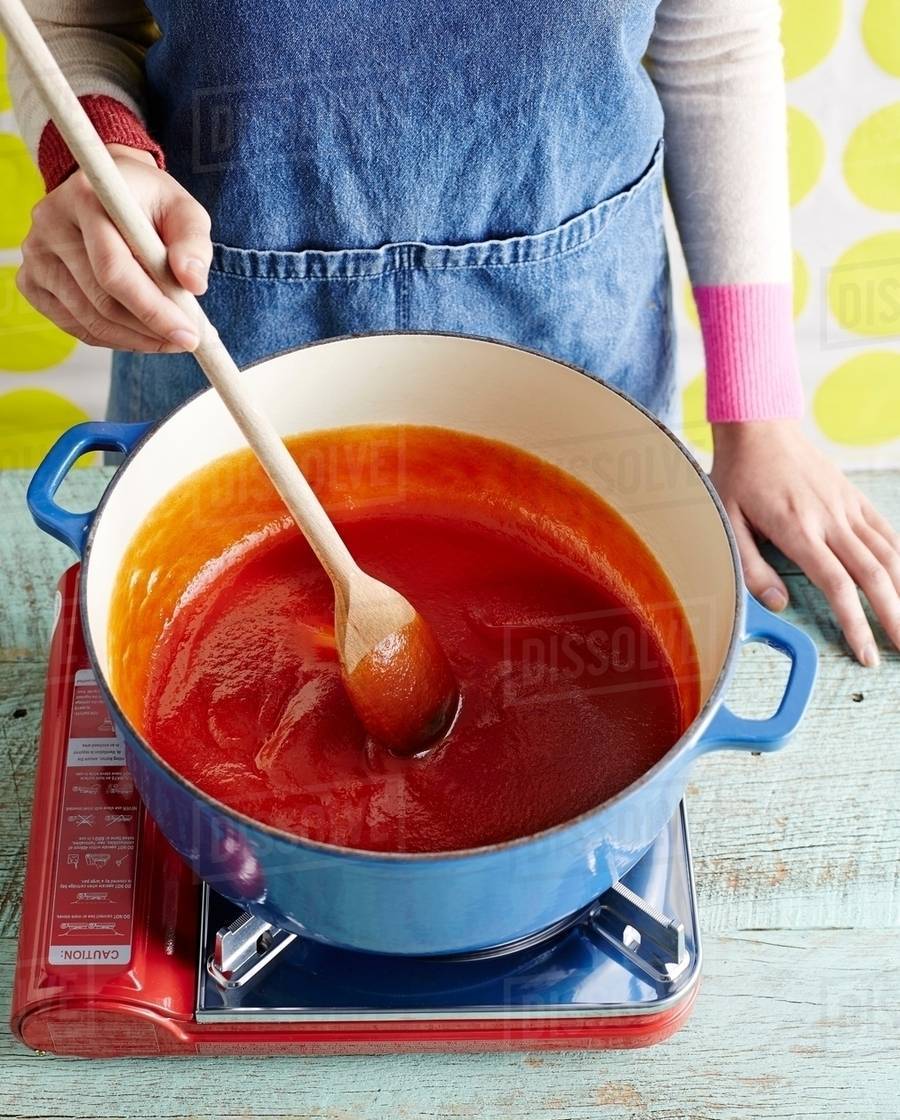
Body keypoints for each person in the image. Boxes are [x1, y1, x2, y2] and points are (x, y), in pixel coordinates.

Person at [9, 0, 900, 667]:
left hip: (579, 358)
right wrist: (103, 157)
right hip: (233, 355)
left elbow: (712, 45)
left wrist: (761, 416)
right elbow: (72, 18)